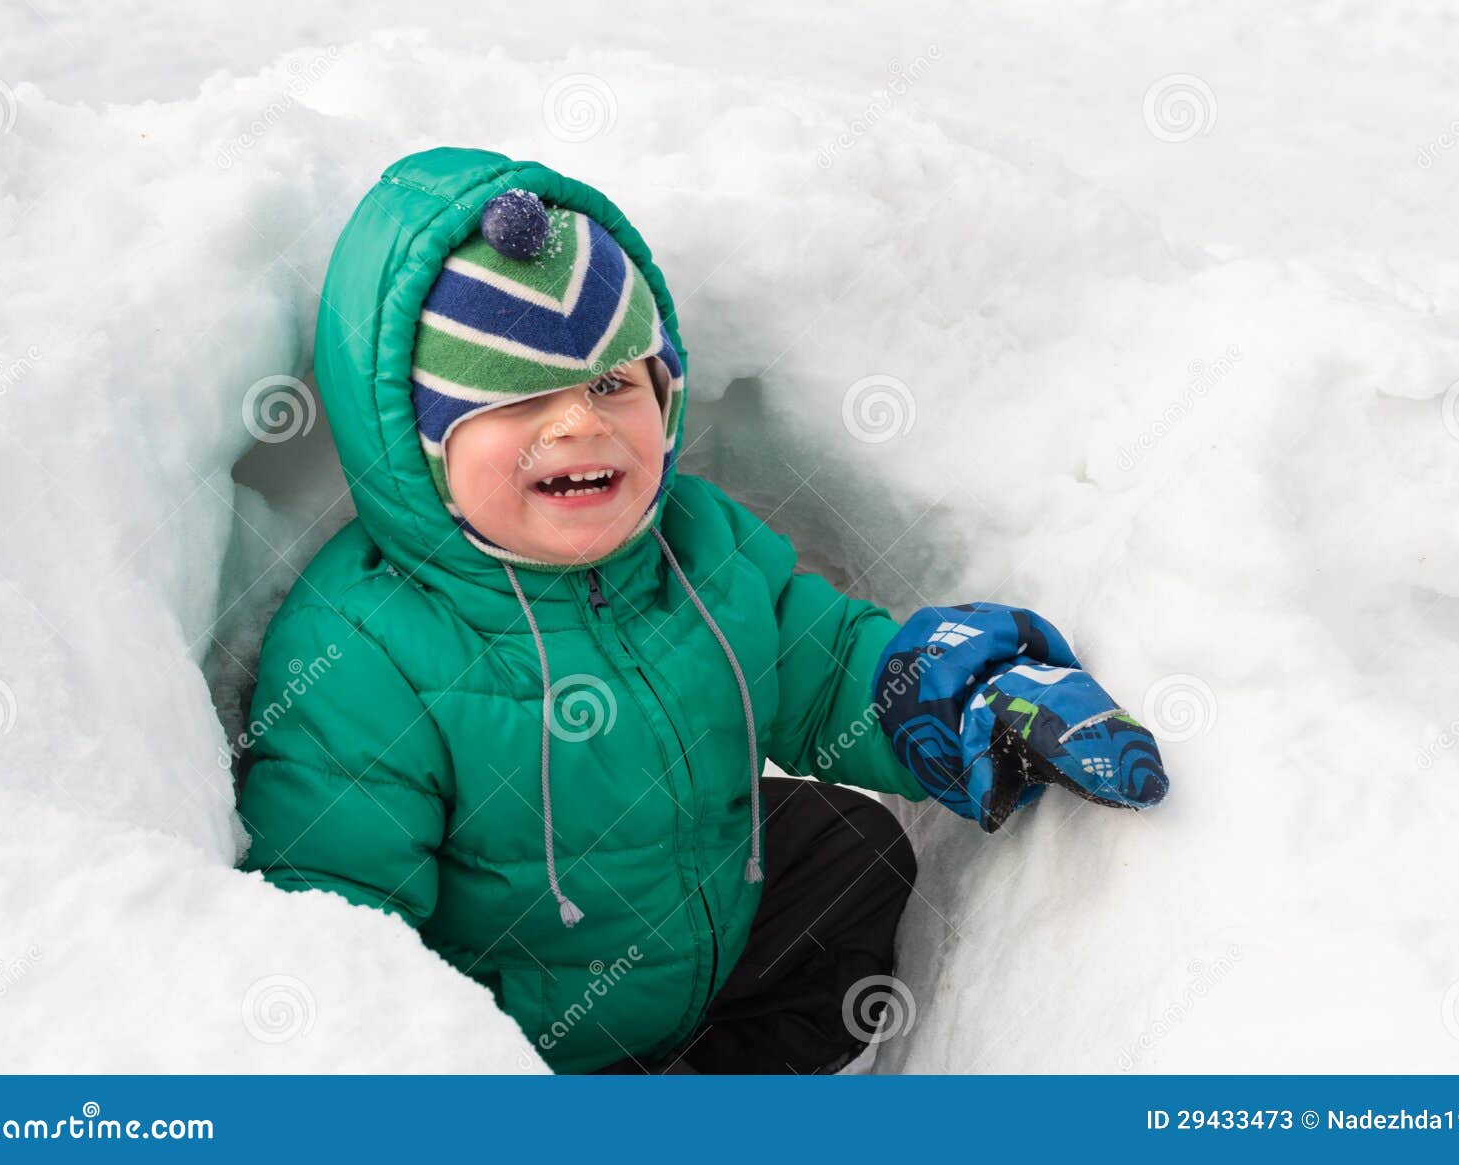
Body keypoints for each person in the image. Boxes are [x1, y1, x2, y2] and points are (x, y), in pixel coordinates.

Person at [236, 147, 1167, 1075]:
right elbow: (340, 913)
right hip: (523, 1044)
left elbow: (831, 666)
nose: (580, 425)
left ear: (667, 395)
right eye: (520, 398)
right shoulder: (363, 649)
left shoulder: (695, 545)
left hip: (708, 934)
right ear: (421, 444)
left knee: (853, 851)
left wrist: (969, 700)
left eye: (611, 384)